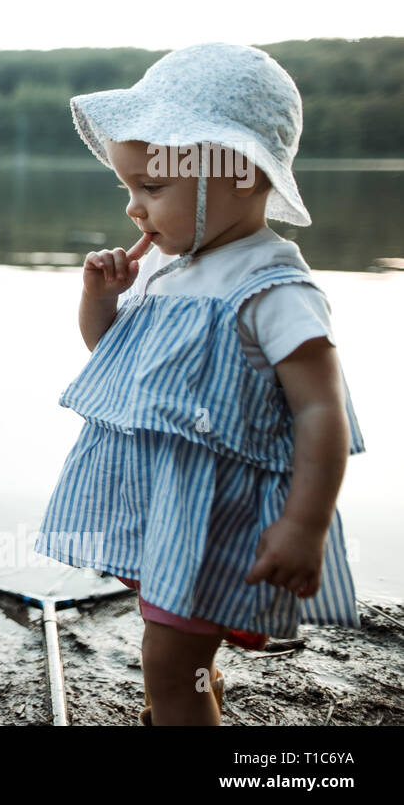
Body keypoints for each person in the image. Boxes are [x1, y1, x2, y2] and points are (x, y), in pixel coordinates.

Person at [34, 43, 365, 726]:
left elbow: (319, 411)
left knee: (168, 660)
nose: (133, 208)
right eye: (128, 188)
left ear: (237, 173)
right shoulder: (164, 269)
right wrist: (100, 300)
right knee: (178, 653)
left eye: (151, 188)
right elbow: (118, 364)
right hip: (165, 515)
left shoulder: (272, 288)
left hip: (219, 524)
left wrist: (305, 526)